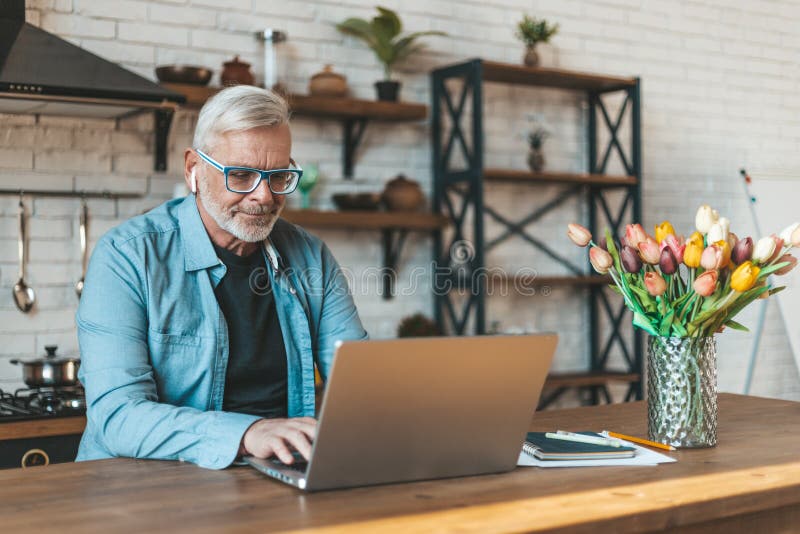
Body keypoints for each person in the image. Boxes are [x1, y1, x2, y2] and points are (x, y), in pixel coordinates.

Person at [75, 85, 367, 469]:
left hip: (271, 475)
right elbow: (117, 416)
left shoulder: (310, 256)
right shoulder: (127, 256)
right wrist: (247, 434)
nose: (264, 195)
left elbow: (359, 388)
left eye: (278, 176)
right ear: (194, 169)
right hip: (143, 488)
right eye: (242, 175)